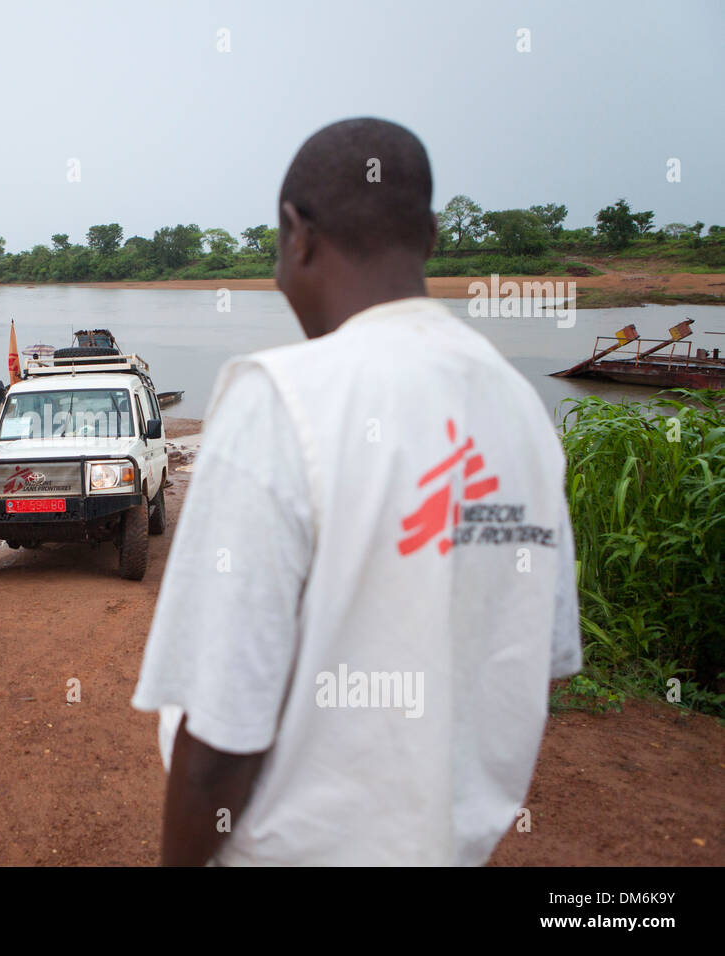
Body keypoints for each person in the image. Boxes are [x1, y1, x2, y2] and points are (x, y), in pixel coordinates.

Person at [132, 117, 581, 866]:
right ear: (432, 236)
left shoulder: (281, 400)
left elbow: (219, 737)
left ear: (293, 233)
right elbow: (537, 659)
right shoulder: (522, 411)